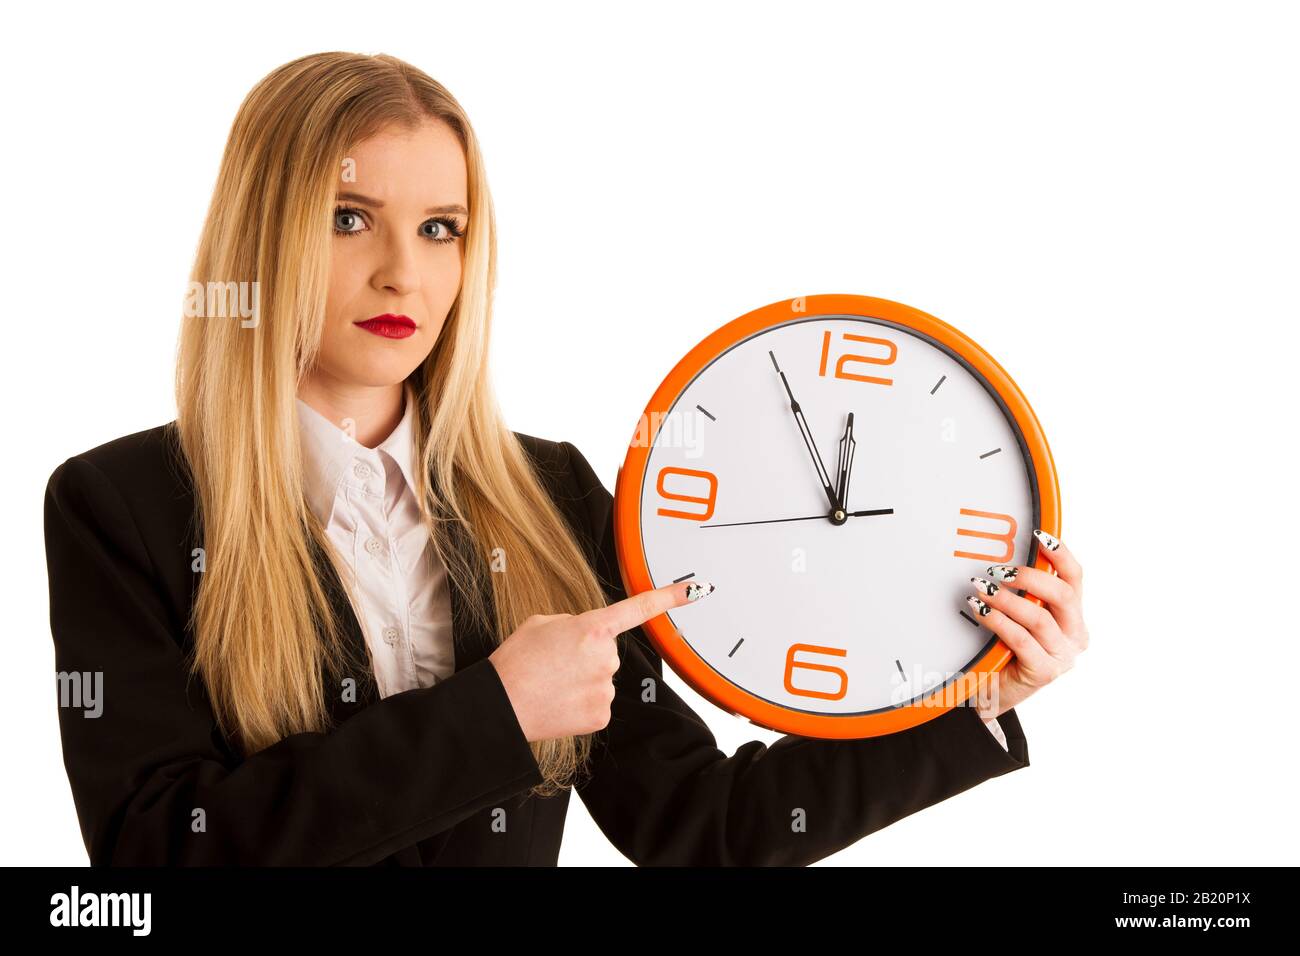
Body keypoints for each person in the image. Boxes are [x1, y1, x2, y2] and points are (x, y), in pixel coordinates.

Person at [42, 51, 1089, 866]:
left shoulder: (544, 492)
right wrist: (494, 712)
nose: (402, 270)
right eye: (347, 219)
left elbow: (703, 828)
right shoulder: (120, 504)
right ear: (261, 232)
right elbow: (150, 856)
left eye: (441, 227)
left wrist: (979, 697)